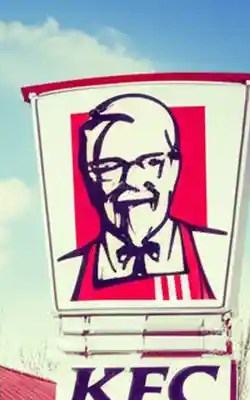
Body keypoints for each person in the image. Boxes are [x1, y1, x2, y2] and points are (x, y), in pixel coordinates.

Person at [59, 93, 222, 302]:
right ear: (89, 178)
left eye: (151, 162)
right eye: (109, 167)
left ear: (174, 168)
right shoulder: (70, 272)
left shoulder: (215, 253)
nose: (131, 181)